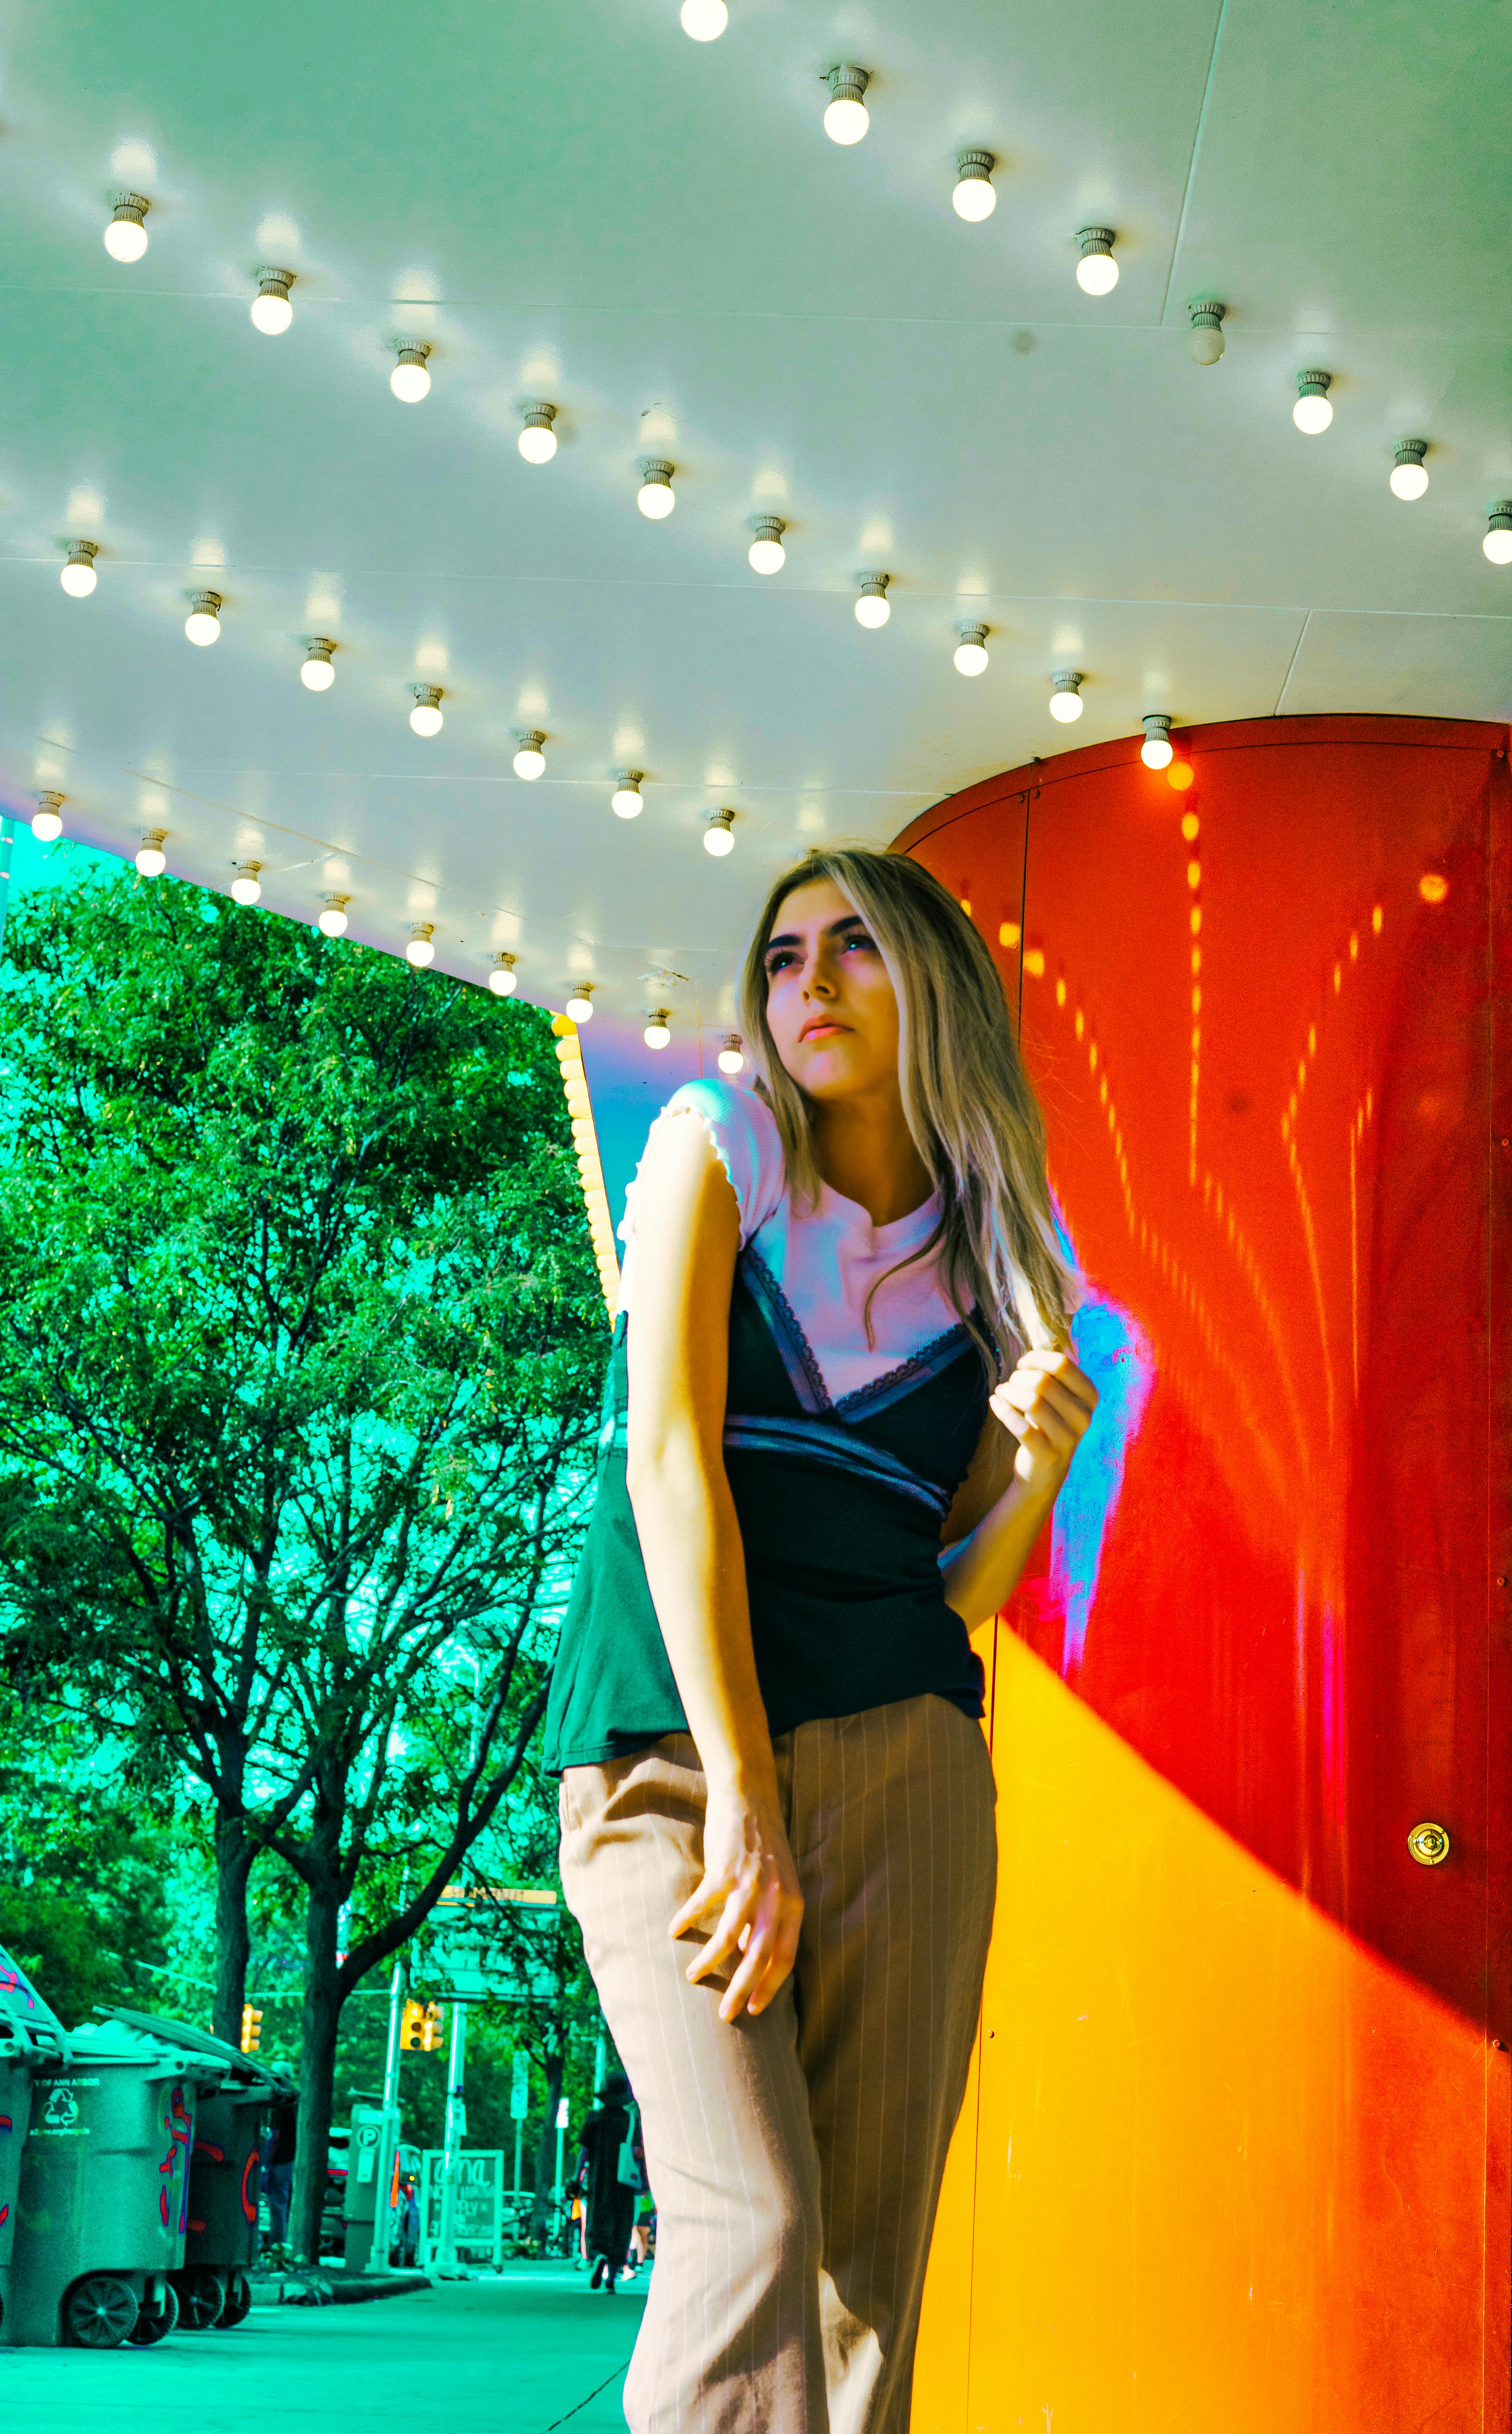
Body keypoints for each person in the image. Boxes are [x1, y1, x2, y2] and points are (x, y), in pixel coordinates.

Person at [545, 848, 1097, 2431]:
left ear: (934, 983)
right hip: (669, 1761)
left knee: (870, 2270)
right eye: (783, 955)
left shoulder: (1005, 1265)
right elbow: (670, 1460)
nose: (809, 983)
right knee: (752, 2220)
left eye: (855, 946)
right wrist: (743, 1792)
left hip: (907, 1761)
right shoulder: (716, 1150)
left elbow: (956, 1589)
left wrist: (1040, 1464)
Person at [573, 2069, 647, 2293]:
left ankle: (599, 2256)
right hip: (624, 2182)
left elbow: (583, 2152)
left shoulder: (594, 2119)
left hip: (599, 2180)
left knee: (598, 2219)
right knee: (621, 2224)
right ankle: (611, 2280)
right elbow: (639, 2153)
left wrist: (577, 2177)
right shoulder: (631, 2122)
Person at [261, 2096, 297, 2252]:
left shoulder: (279, 2106)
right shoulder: (296, 2106)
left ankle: (276, 2249)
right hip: (289, 2161)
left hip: (279, 2163)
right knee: (282, 2205)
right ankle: (280, 2247)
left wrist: (267, 2164)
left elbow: (274, 2137)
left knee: (276, 2207)